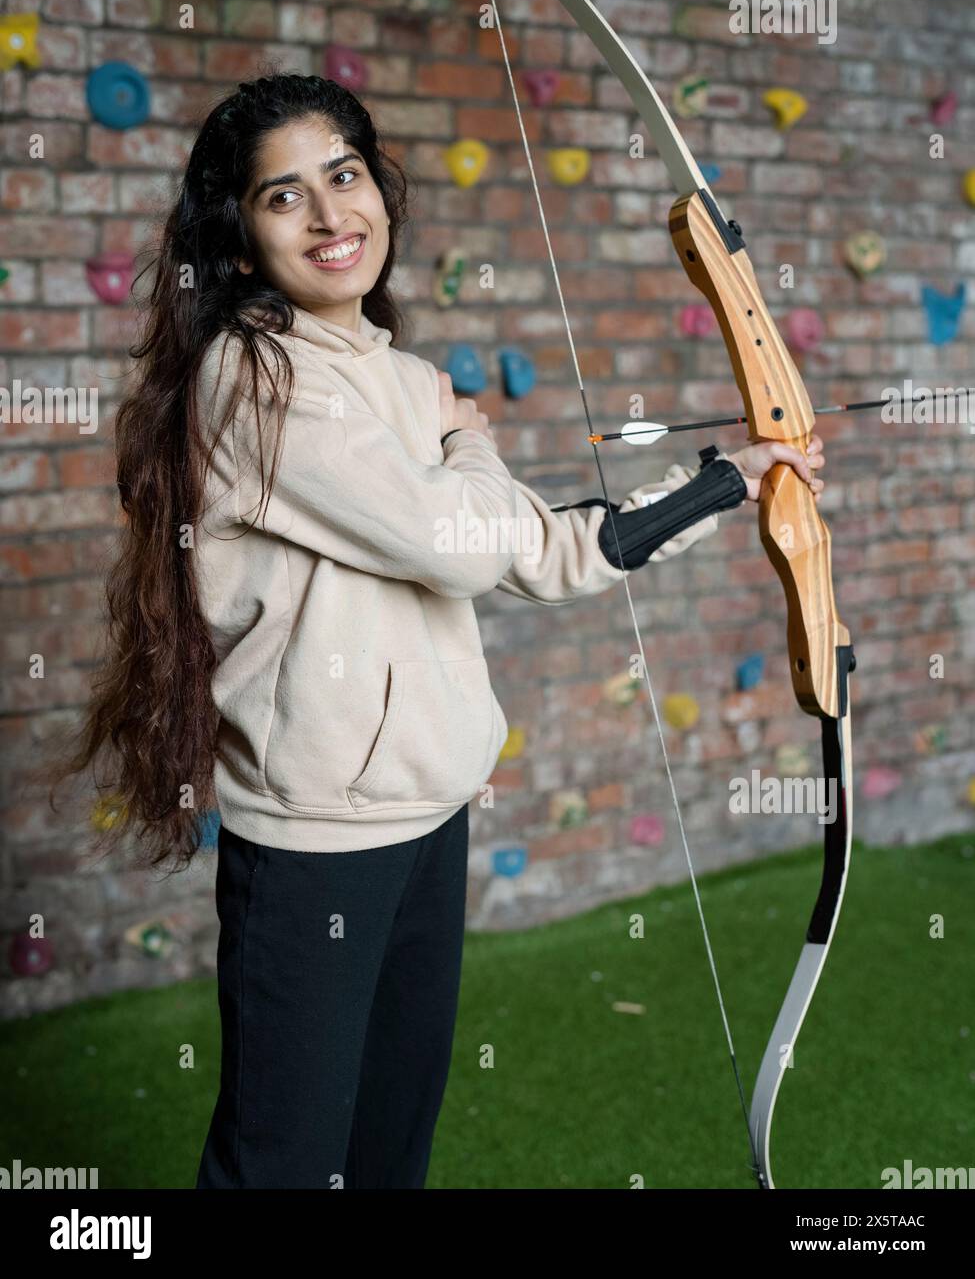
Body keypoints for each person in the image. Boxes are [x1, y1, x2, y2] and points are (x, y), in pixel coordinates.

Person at [52, 73, 825, 1190]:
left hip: (430, 812)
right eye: (283, 197)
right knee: (283, 1161)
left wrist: (732, 481)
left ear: (380, 191)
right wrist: (468, 448)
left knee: (388, 1147)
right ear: (237, 239)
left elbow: (545, 552)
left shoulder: (410, 380)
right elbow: (467, 538)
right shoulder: (253, 378)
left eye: (346, 176)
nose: (330, 216)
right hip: (317, 836)